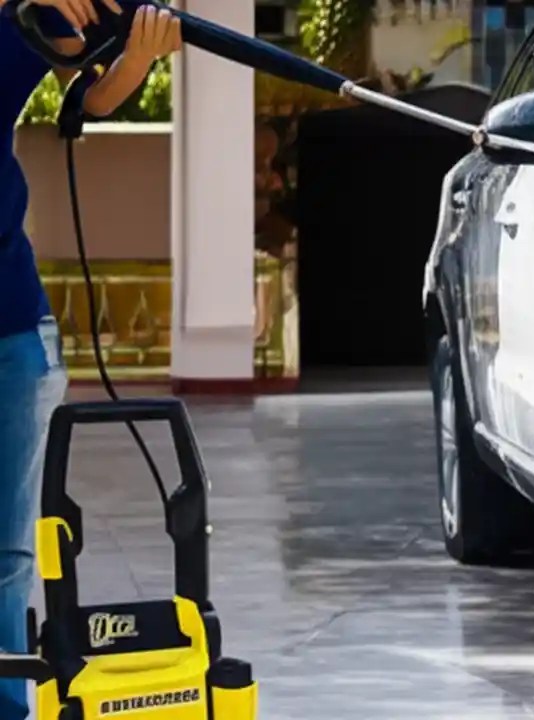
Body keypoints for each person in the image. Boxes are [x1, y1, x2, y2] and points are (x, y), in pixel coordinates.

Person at [0, 1, 181, 717]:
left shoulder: (21, 26)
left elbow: (90, 85)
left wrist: (137, 55)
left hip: (10, 328)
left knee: (8, 559)